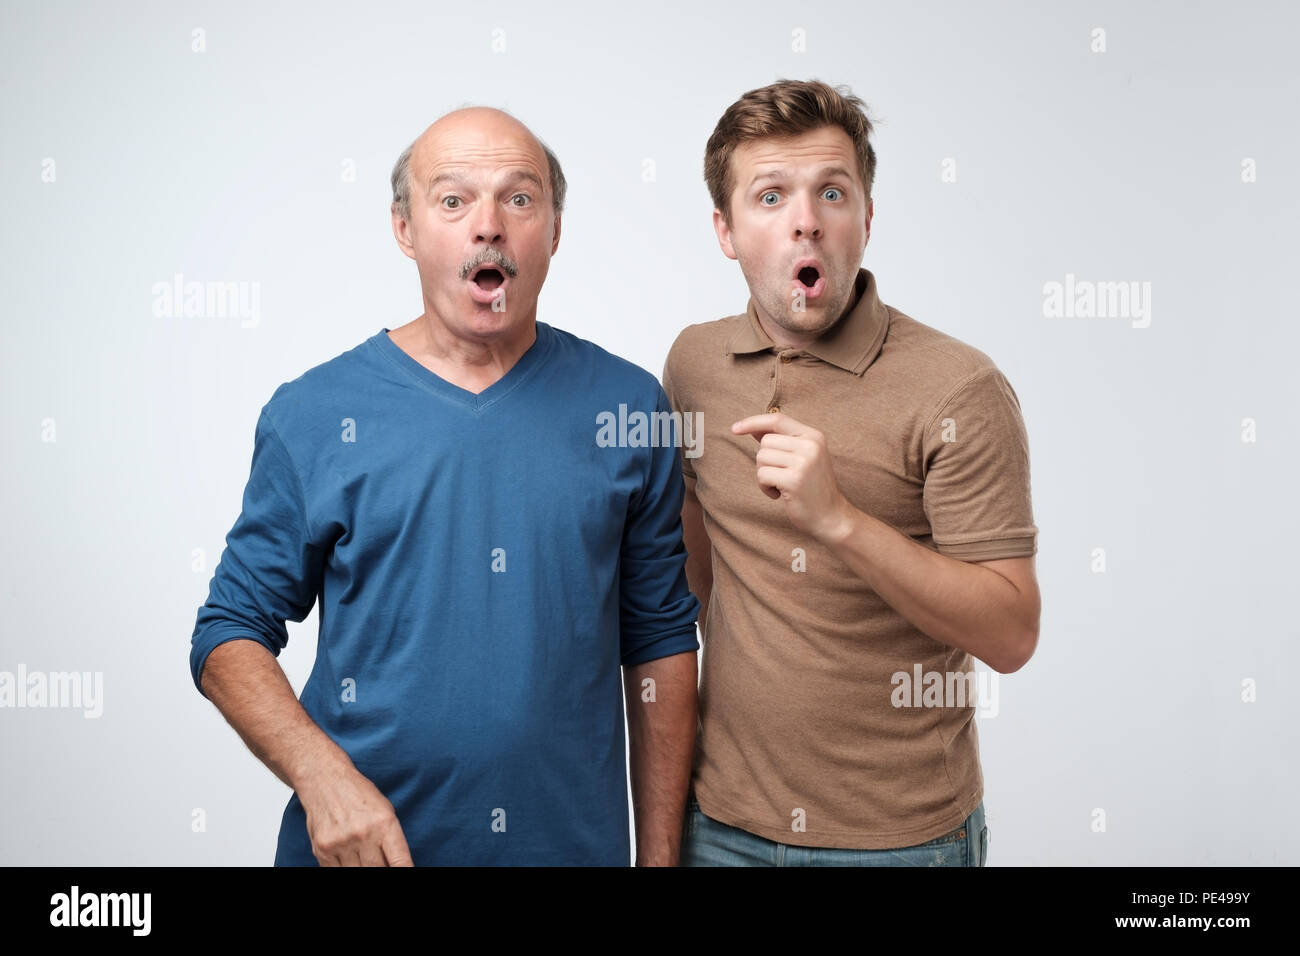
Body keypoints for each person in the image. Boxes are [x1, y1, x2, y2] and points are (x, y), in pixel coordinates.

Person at [190, 106, 700, 866]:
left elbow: (658, 644)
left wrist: (660, 863)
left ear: (554, 231)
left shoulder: (628, 410)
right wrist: (322, 776)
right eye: (453, 200)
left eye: (519, 199)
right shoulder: (315, 413)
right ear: (405, 229)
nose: (488, 225)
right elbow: (227, 632)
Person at [663, 79, 1041, 866]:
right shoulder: (695, 364)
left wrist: (838, 519)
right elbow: (696, 582)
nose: (806, 220)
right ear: (725, 230)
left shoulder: (958, 388)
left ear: (865, 218)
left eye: (831, 192)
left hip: (902, 841)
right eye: (770, 197)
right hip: (723, 826)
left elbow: (1010, 633)